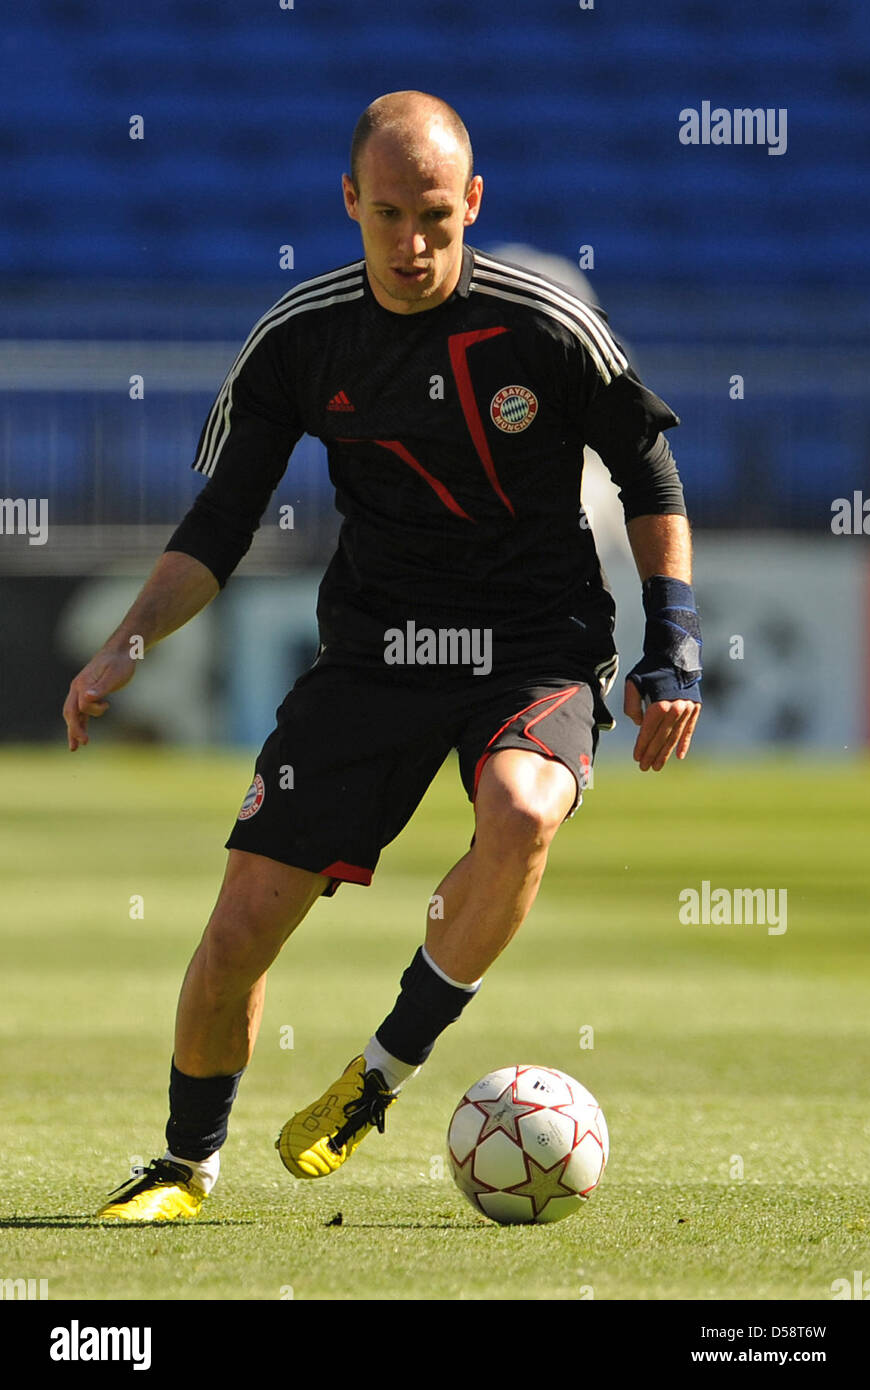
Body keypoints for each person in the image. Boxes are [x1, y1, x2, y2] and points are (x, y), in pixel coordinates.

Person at [62, 91, 702, 1222]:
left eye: (439, 220)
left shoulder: (545, 324)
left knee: (521, 811)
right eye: (390, 215)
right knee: (240, 927)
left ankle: (380, 1072)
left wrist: (675, 645)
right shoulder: (304, 337)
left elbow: (648, 469)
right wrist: (128, 643)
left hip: (536, 646)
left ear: (476, 205)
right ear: (348, 201)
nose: (413, 246)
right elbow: (221, 524)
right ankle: (183, 1165)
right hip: (377, 655)